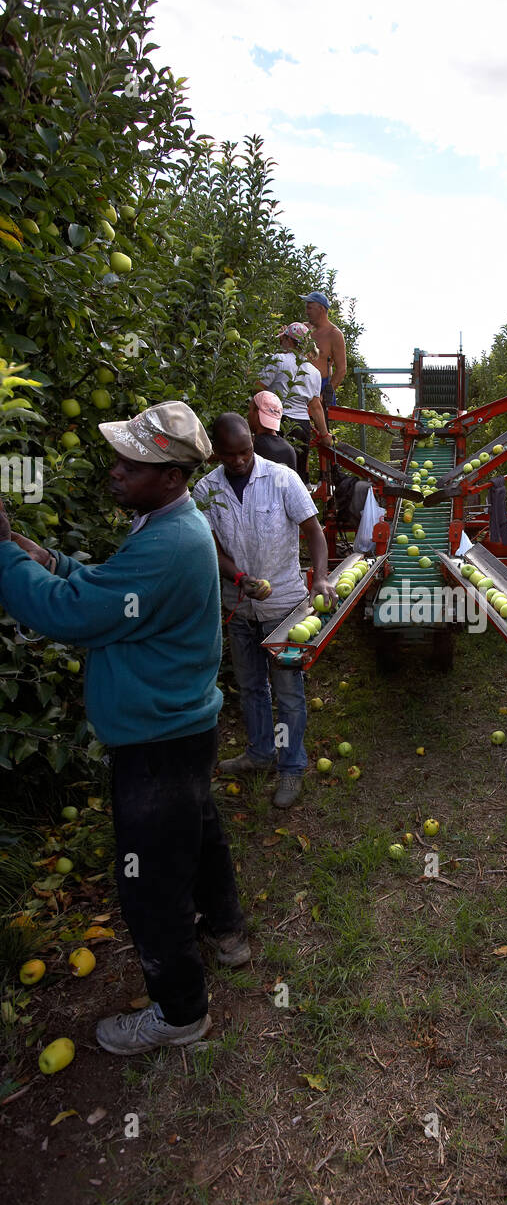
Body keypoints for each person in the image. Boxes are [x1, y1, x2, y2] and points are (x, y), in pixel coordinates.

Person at [0, 402, 249, 1056]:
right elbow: (109, 588)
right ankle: (227, 930)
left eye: (129, 464)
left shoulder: (169, 542)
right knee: (196, 835)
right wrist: (49, 558)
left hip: (156, 745)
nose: (114, 472)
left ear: (170, 476)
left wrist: (5, 557)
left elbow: (74, 615)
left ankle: (180, 1013)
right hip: (183, 731)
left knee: (149, 886)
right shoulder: (168, 523)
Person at [194, 413, 337, 808]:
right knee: (252, 686)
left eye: (245, 451)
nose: (240, 460)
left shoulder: (282, 479)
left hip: (284, 606)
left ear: (252, 444)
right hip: (239, 607)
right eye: (230, 455)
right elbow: (211, 547)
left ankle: (291, 767)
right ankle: (259, 753)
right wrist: (239, 578)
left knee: (288, 692)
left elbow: (314, 530)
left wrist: (321, 578)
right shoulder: (207, 490)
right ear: (216, 455)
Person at [257, 322, 332, 486]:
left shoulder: (277, 360)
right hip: (302, 427)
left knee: (276, 478)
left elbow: (257, 389)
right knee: (295, 476)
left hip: (278, 423)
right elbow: (315, 406)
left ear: (288, 340)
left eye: (282, 339)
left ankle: (277, 506)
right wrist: (325, 435)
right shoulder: (314, 372)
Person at [301, 290, 347, 416]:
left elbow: (341, 369)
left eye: (309, 308)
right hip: (300, 385)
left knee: (320, 431)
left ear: (321, 309)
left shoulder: (334, 334)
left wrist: (325, 394)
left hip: (321, 387)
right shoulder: (303, 329)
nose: (306, 311)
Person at [245, 390, 297, 469]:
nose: (248, 415)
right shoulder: (289, 450)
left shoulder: (250, 448)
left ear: (256, 413)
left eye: (250, 410)